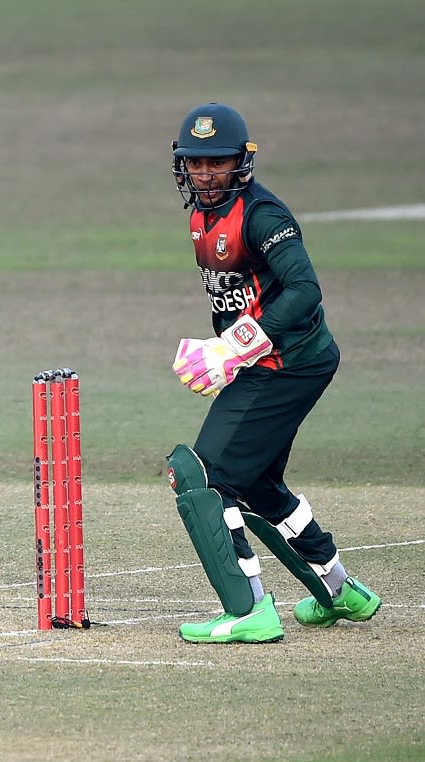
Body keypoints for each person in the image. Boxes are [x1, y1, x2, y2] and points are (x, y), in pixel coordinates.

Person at [165, 102, 380, 644]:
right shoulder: (201, 219)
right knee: (257, 484)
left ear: (242, 161)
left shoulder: (263, 216)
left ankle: (250, 609)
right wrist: (225, 352)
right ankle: (340, 590)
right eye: (197, 162)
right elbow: (242, 296)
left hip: (290, 363)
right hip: (266, 363)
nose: (207, 173)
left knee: (206, 475)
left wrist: (233, 348)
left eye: (218, 161)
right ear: (182, 166)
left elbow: (304, 291)